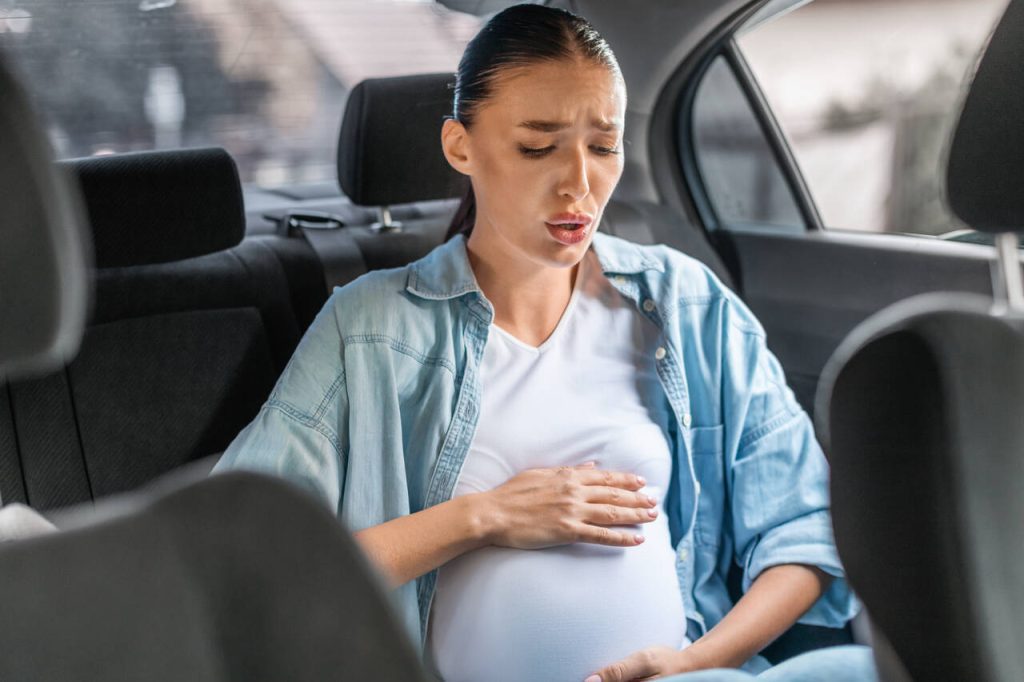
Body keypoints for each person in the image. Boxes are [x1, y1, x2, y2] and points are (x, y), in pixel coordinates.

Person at [213, 5, 876, 681]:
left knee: (861, 669)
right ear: (459, 146)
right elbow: (245, 565)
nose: (580, 185)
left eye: (604, 146)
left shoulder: (685, 304)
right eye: (538, 146)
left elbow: (805, 527)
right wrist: (481, 516)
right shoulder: (371, 329)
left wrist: (694, 663)